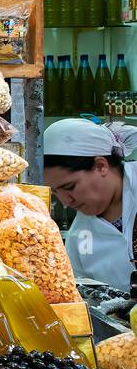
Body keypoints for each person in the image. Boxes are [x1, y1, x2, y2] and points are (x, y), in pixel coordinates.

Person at [42, 118, 137, 290]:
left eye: (70, 187)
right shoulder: (78, 239)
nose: (65, 201)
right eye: (55, 192)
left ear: (101, 166)